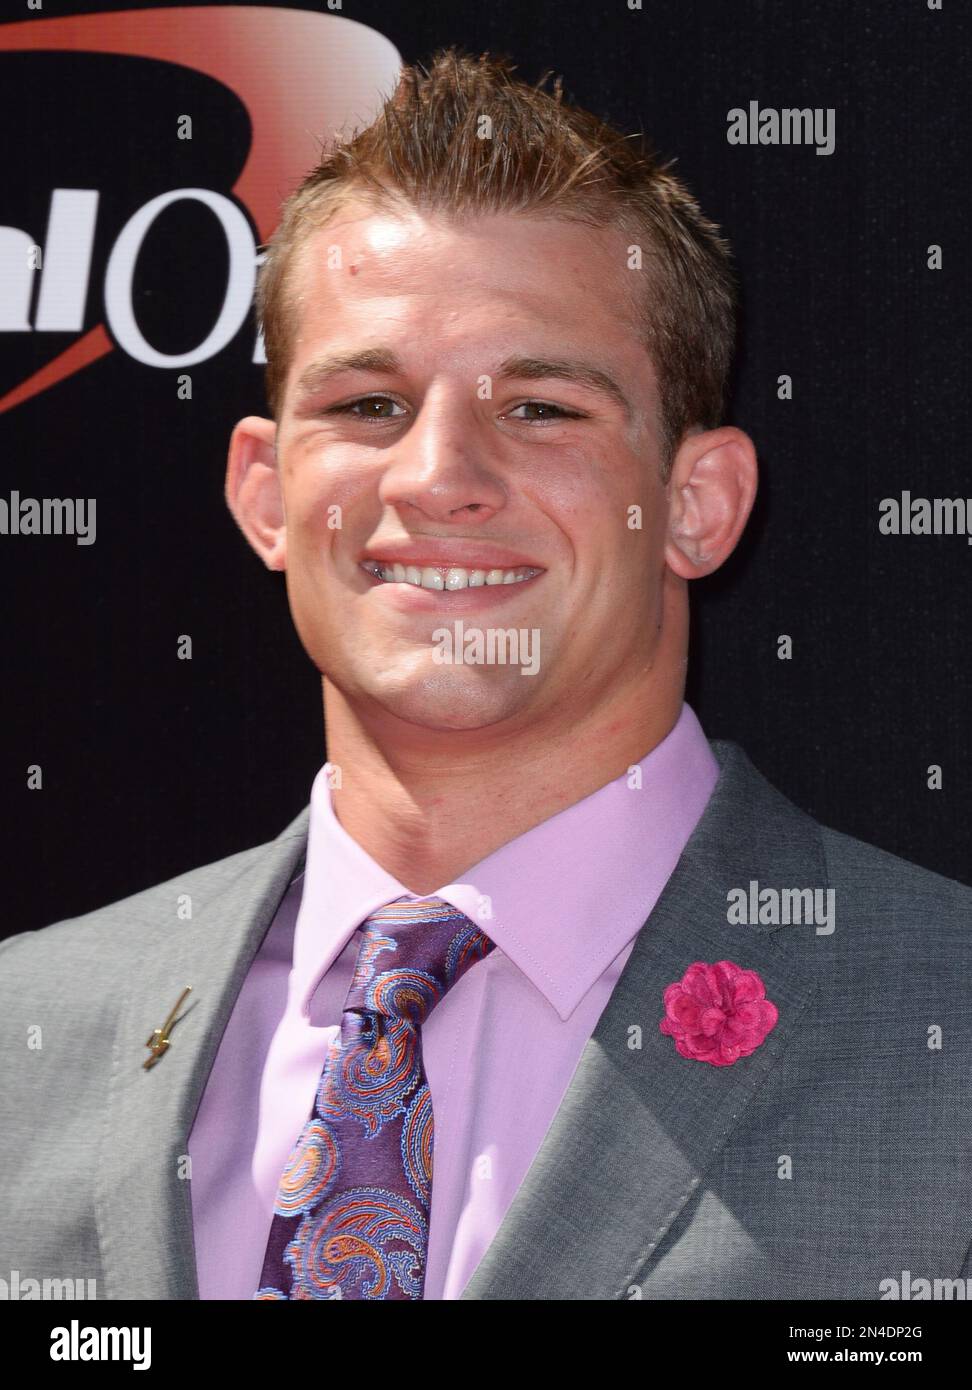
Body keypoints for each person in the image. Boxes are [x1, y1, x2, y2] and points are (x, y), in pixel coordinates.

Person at [2, 47, 970, 1304]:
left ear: (698, 502)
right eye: (365, 405)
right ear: (265, 493)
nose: (437, 475)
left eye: (540, 409)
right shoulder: (27, 1033)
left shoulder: (939, 1028)